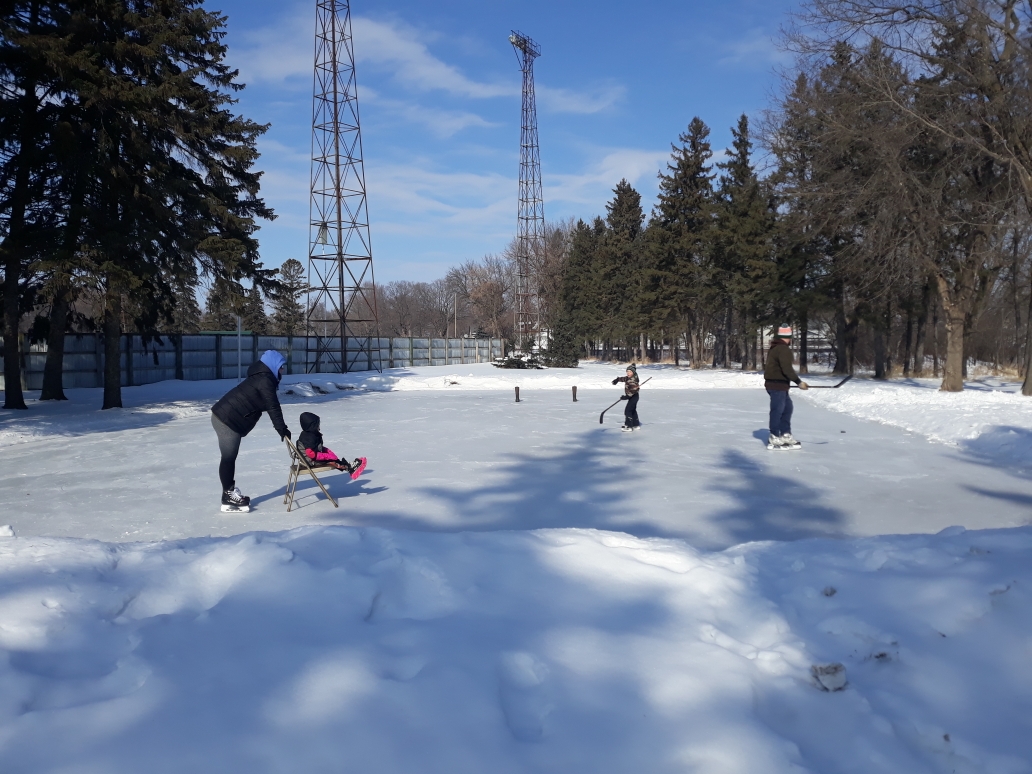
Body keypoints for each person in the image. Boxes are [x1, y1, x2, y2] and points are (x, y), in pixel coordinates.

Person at [210, 349, 292, 512]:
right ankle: (228, 496)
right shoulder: (264, 380)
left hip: (226, 416)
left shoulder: (262, 377)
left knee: (229, 458)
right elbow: (272, 406)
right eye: (281, 367)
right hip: (227, 419)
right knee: (228, 457)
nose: (282, 370)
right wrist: (282, 429)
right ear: (273, 365)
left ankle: (229, 493)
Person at [764, 331, 808, 449]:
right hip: (776, 384)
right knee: (778, 410)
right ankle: (774, 435)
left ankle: (785, 434)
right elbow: (787, 368)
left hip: (779, 384)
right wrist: (798, 382)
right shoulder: (783, 349)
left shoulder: (775, 348)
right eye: (789, 338)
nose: (790, 340)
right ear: (785, 338)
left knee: (787, 408)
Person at [297, 411, 366, 479]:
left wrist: (327, 451)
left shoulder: (308, 434)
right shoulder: (309, 437)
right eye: (317, 424)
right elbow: (311, 454)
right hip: (311, 461)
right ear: (312, 426)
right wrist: (327, 456)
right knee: (332, 461)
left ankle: (348, 466)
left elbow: (315, 447)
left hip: (309, 459)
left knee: (333, 459)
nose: (318, 426)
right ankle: (349, 467)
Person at [612, 364, 641, 432]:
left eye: (630, 372)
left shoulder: (633, 380)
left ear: (633, 372)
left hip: (633, 396)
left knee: (628, 411)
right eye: (627, 371)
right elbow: (624, 378)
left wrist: (626, 396)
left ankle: (629, 426)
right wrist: (617, 379)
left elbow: (633, 390)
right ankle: (635, 424)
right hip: (633, 397)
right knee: (632, 410)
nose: (628, 373)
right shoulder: (629, 377)